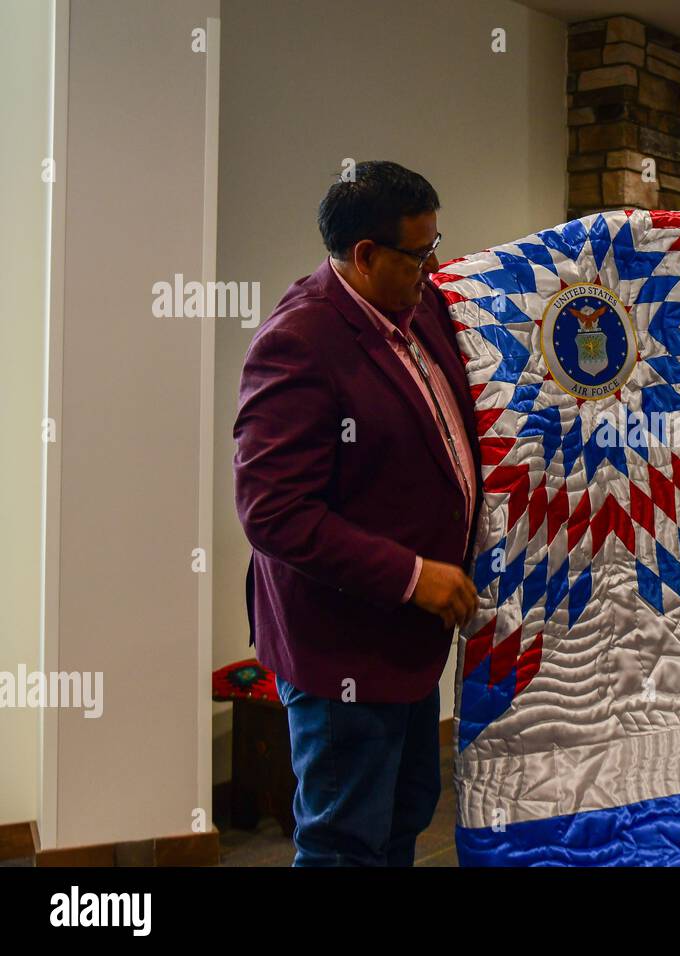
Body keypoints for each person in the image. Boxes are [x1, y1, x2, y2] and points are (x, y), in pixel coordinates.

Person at [233, 161, 480, 866]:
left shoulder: (415, 304)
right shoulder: (300, 342)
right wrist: (411, 576)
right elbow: (273, 511)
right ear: (366, 256)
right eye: (418, 255)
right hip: (343, 646)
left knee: (400, 821)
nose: (432, 269)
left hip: (405, 644)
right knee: (346, 843)